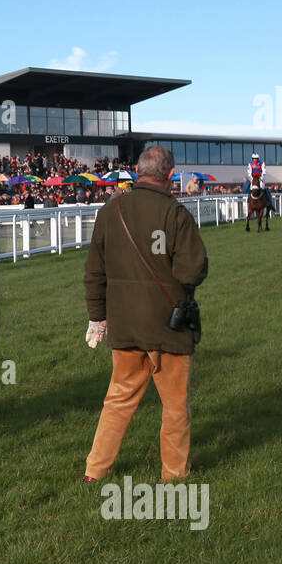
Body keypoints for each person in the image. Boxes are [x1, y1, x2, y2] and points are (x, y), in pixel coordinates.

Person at [82, 145, 208, 484]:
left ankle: (95, 471)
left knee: (118, 401)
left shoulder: (111, 211)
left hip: (125, 325)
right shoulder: (175, 213)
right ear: (169, 175)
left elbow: (94, 272)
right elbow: (191, 272)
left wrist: (98, 317)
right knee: (175, 407)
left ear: (138, 171)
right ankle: (173, 475)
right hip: (169, 326)